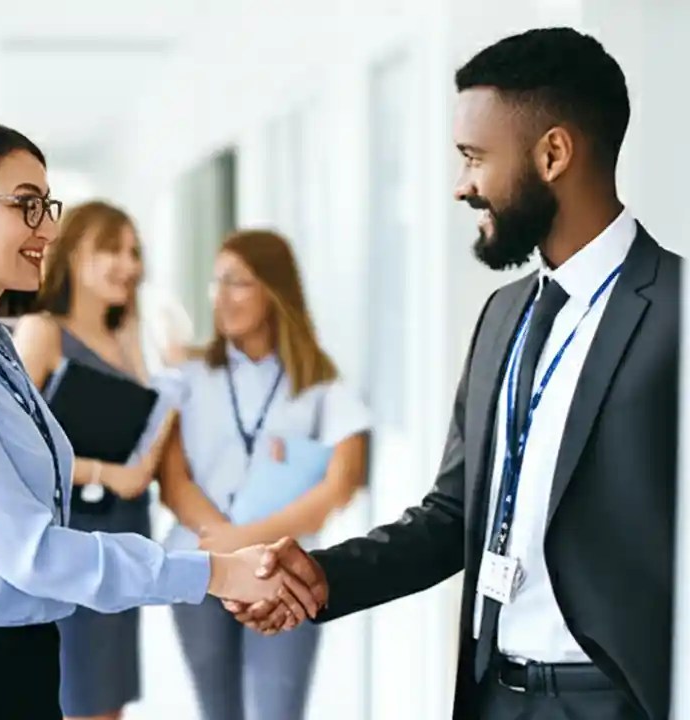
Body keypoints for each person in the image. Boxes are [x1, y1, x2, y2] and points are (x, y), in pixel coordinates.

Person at [232, 28, 680, 720]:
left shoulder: (676, 311)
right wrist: (323, 576)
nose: (461, 186)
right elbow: (452, 517)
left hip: (621, 704)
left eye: (474, 158)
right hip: (491, 696)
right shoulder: (505, 315)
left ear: (553, 154)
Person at [0, 118, 320, 720]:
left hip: (20, 669)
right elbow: (34, 553)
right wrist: (214, 572)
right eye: (25, 206)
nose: (48, 228)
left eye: (47, 206)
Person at [154, 230, 370, 720]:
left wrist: (246, 539)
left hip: (285, 571)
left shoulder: (319, 382)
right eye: (216, 282)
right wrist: (226, 544)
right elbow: (172, 480)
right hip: (199, 566)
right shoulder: (188, 375)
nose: (221, 296)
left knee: (278, 711)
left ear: (273, 290)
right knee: (218, 712)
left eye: (238, 282)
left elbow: (341, 483)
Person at [12, 200, 170, 720]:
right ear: (76, 253)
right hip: (71, 540)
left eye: (135, 252)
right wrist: (105, 474)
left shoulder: (126, 338)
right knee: (78, 700)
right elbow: (10, 448)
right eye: (113, 250)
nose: (131, 265)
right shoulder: (43, 330)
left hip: (123, 535)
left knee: (108, 703)